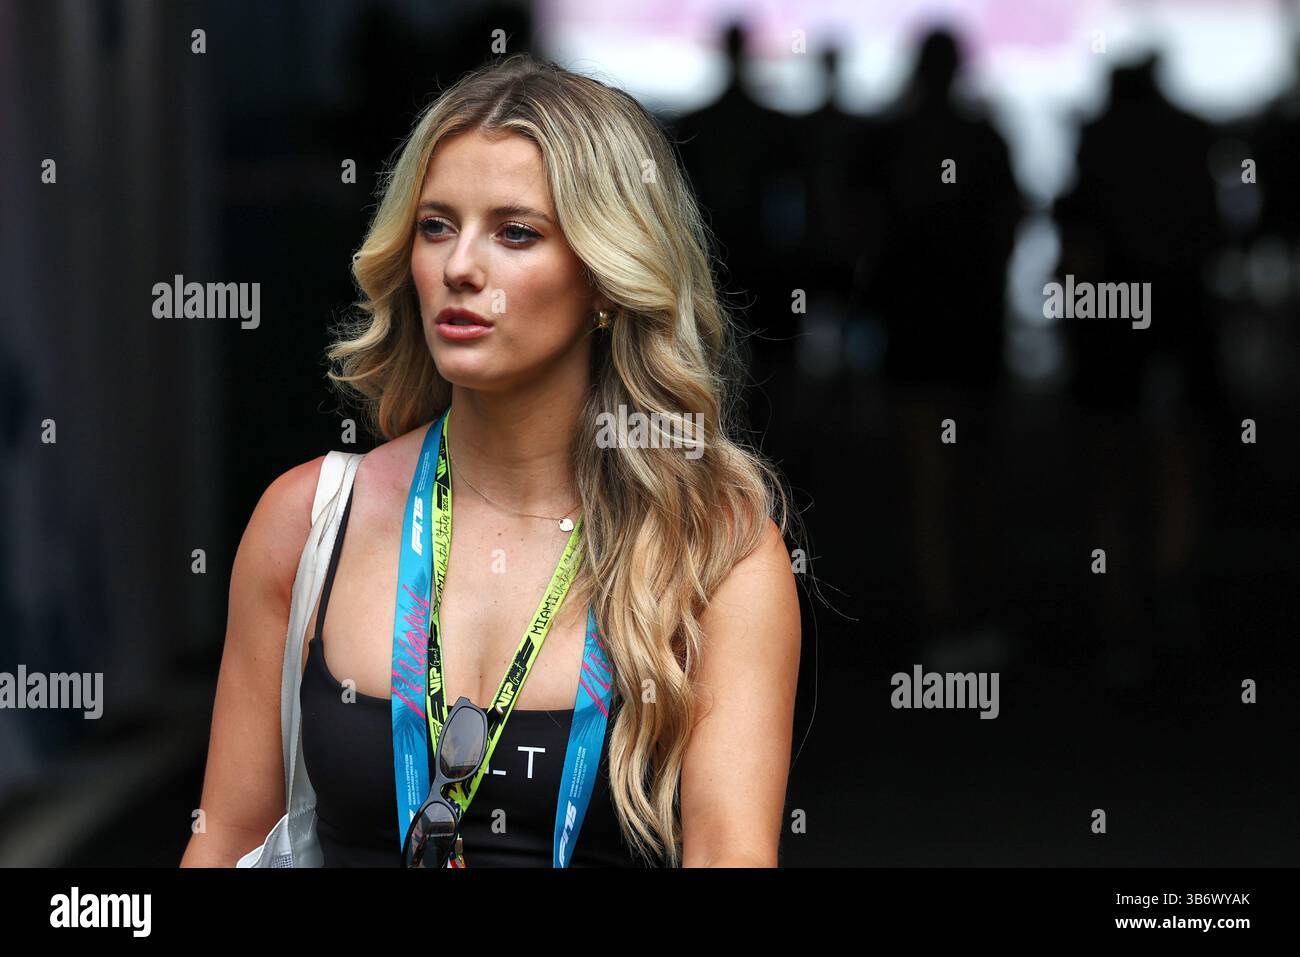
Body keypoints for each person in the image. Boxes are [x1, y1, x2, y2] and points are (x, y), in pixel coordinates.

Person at [181, 53, 802, 868]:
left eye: (515, 232)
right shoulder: (308, 521)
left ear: (607, 277)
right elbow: (226, 838)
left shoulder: (715, 550)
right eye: (437, 225)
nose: (459, 266)